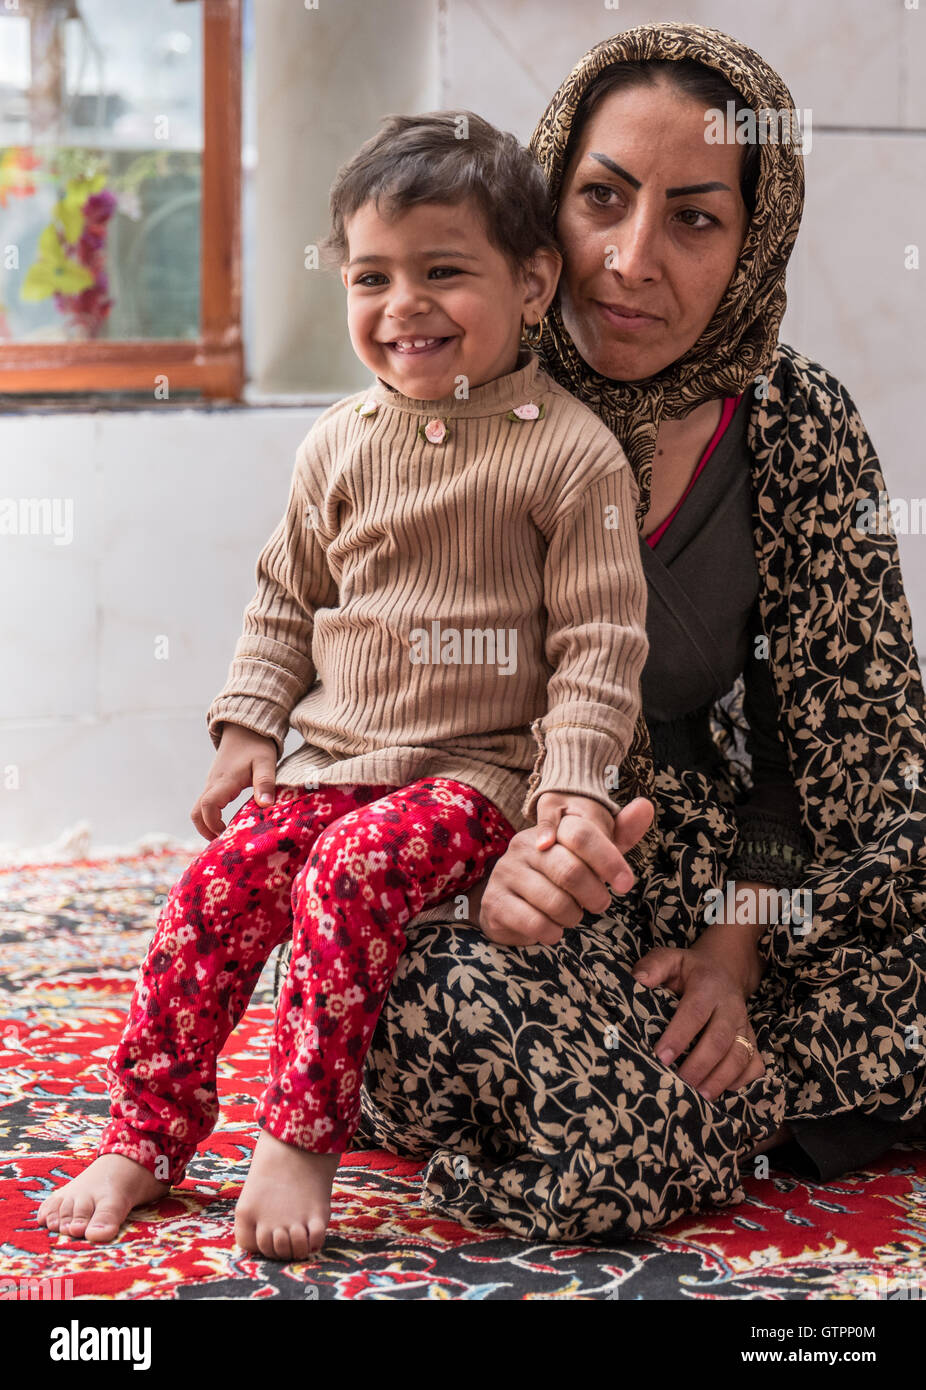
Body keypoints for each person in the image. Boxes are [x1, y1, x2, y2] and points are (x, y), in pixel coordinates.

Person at [332, 23, 926, 1243]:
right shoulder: (452, 389)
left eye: (694, 218)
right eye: (599, 199)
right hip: (480, 861)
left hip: (708, 872)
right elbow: (369, 701)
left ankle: (692, 1085)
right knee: (407, 983)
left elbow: (830, 740)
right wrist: (489, 860)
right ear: (545, 202)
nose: (627, 259)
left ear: (753, 241)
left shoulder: (793, 423)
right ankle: (719, 1103)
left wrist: (733, 953)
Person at [35, 111, 657, 1258]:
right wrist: (246, 727)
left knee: (353, 870)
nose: (401, 304)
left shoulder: (571, 453)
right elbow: (284, 595)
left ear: (530, 284)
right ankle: (144, 1130)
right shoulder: (337, 441)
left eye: (441, 272)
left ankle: (300, 1135)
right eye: (371, 276)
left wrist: (570, 781)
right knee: (217, 887)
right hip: (335, 757)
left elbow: (598, 640)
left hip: (476, 776)